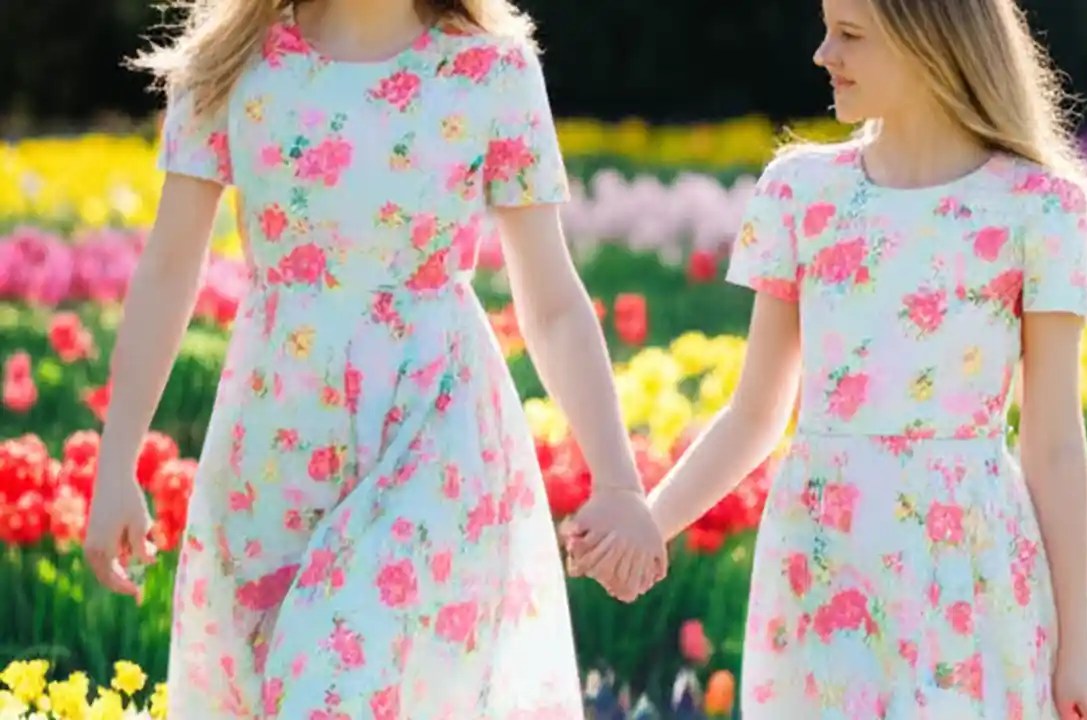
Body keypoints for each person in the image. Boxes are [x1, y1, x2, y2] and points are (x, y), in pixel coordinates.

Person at [566, 0, 1087, 717]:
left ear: (930, 41)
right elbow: (755, 415)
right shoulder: (801, 192)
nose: (823, 54)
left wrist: (1075, 651)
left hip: (967, 575)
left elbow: (1054, 441)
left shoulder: (1042, 207)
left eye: (849, 35)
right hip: (823, 564)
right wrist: (649, 523)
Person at [82, 0, 666, 716]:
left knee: (337, 682)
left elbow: (551, 302)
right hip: (275, 449)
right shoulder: (230, 66)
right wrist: (116, 466)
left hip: (434, 437)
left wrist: (618, 482)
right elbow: (169, 270)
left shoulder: (491, 68)